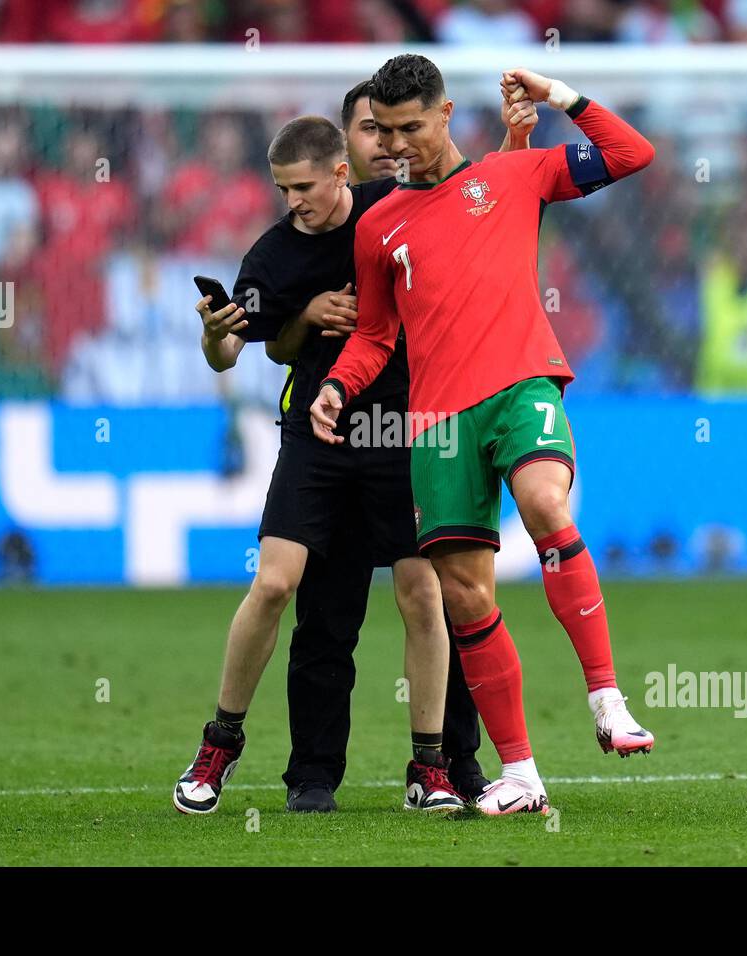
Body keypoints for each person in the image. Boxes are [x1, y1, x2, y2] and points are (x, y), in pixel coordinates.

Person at [173, 80, 539, 815]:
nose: (292, 201)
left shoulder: (394, 208)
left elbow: (484, 199)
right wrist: (241, 329)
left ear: (340, 171)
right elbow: (235, 349)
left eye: (302, 187)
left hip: (408, 428)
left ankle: (433, 766)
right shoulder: (273, 255)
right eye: (282, 189)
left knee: (426, 594)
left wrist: (517, 139)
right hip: (320, 430)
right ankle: (231, 747)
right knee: (284, 590)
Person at [311, 55, 656, 815]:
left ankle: (607, 699)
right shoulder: (376, 226)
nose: (395, 144)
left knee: (546, 504)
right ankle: (521, 775)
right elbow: (374, 335)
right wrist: (337, 385)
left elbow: (631, 152)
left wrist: (559, 94)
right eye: (383, 131)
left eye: (409, 127)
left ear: (443, 114)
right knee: (466, 597)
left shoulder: (515, 174)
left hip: (520, 384)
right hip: (437, 423)